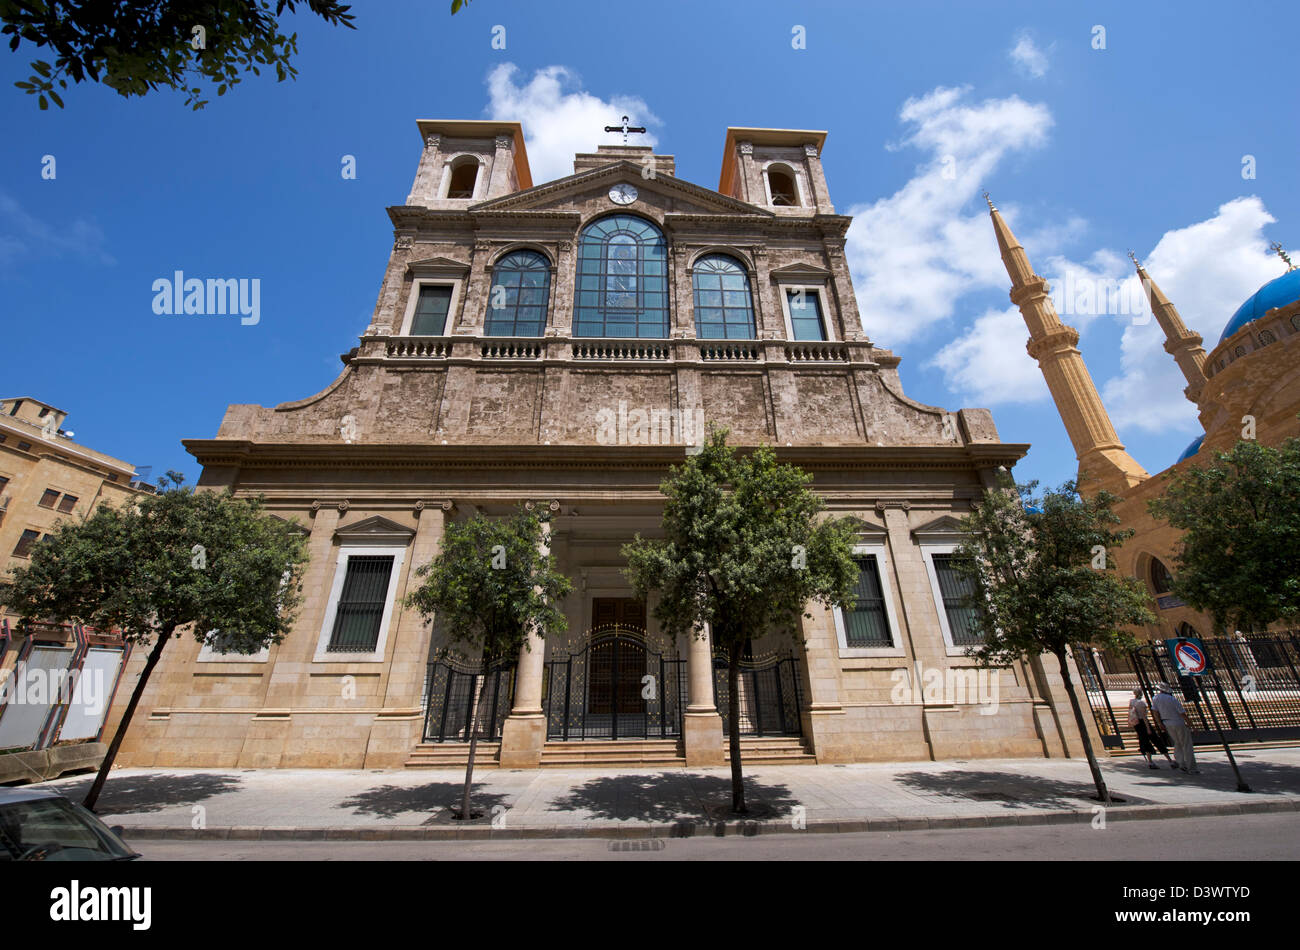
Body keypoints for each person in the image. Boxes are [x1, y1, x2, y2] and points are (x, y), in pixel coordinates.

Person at [1151, 683, 1199, 774]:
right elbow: (1182, 713)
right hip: (1178, 721)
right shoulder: (1172, 699)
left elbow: (1155, 712)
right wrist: (1192, 725)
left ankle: (1181, 763)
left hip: (1167, 722)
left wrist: (1159, 723)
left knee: (1177, 742)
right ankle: (1191, 767)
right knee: (1186, 744)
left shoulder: (1155, 699)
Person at [1127, 689, 1174, 768]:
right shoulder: (1141, 703)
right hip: (1144, 723)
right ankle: (1170, 760)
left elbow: (1130, 712)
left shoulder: (1131, 701)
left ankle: (1150, 762)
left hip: (1137, 724)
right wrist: (1148, 728)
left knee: (1145, 742)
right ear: (1141, 694)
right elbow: (1144, 717)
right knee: (1156, 740)